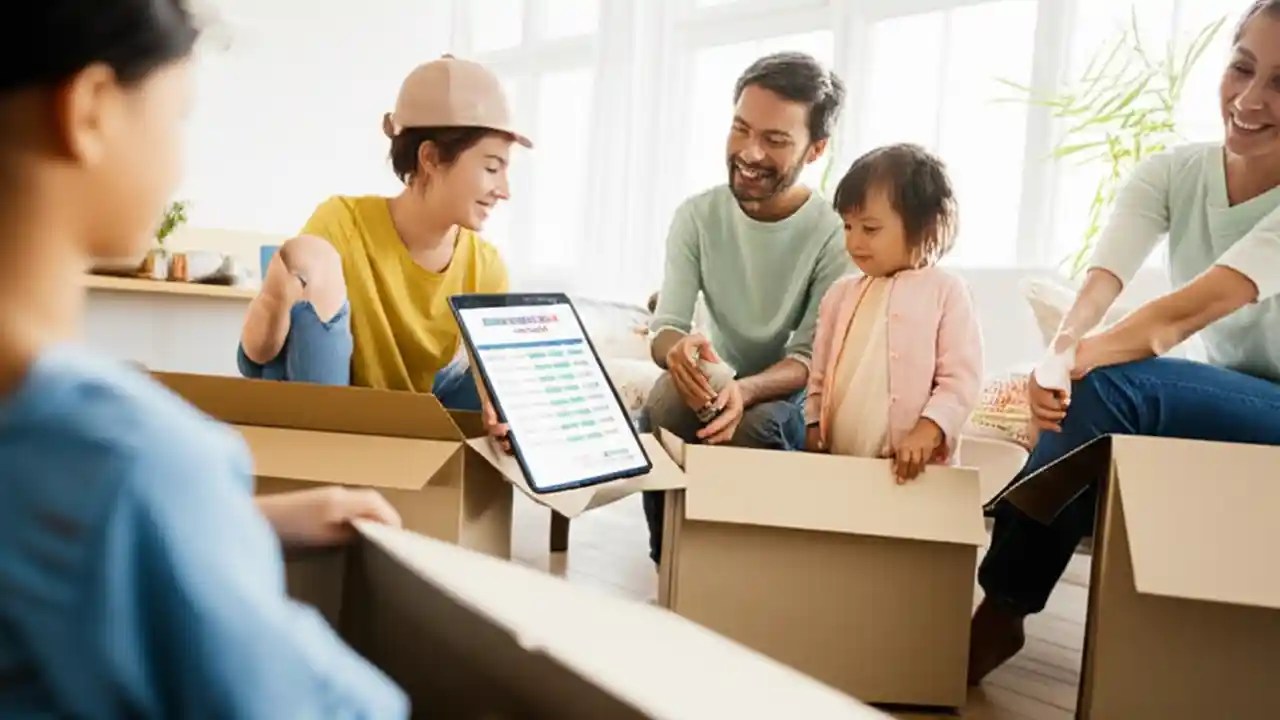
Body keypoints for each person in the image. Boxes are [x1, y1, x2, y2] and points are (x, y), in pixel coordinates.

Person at [0, 1, 408, 716]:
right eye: (178, 114)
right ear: (91, 109)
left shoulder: (107, 469)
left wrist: (225, 522)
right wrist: (191, 510)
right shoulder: (133, 456)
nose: (179, 156)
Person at [970, 0, 1280, 685]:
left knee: (1108, 387)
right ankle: (1006, 605)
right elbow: (1099, 284)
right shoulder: (1173, 174)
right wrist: (1059, 356)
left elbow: (1187, 312)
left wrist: (1076, 363)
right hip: (1244, 404)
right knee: (1086, 397)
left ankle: (1000, 609)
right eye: (1242, 67)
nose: (1251, 99)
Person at [640, 51, 852, 563]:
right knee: (665, 402)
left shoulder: (835, 233)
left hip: (788, 396)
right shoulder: (697, 216)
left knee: (757, 427)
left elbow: (807, 359)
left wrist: (746, 390)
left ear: (816, 149)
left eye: (775, 140)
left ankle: (744, 577)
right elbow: (665, 325)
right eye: (741, 129)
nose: (750, 152)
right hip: (719, 380)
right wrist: (679, 352)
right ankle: (670, 566)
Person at [237, 55, 529, 411]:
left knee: (499, 363)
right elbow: (256, 359)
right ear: (431, 159)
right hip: (338, 417)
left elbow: (479, 396)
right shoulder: (342, 224)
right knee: (313, 265)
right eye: (491, 167)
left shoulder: (487, 267)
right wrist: (276, 295)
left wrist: (502, 416)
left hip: (420, 425)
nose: (504, 189)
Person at [803, 144, 983, 483]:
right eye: (847, 226)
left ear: (925, 226)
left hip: (912, 473)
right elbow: (819, 375)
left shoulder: (946, 291)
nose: (854, 242)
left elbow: (960, 381)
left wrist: (929, 430)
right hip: (840, 466)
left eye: (870, 229)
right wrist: (813, 424)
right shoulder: (839, 295)